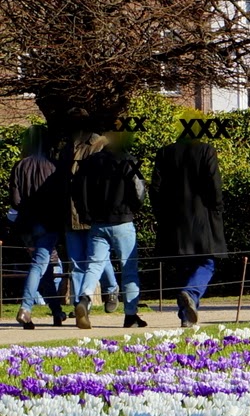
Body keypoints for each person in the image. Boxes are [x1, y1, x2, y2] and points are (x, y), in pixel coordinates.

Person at [151, 126, 227, 327]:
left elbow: (156, 188)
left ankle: (186, 317)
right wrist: (216, 209)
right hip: (202, 216)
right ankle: (191, 294)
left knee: (183, 267)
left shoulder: (165, 152)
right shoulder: (205, 150)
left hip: (173, 220)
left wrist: (161, 215)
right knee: (206, 263)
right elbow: (214, 184)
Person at [71, 129, 146, 329]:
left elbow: (77, 190)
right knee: (128, 269)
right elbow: (139, 190)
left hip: (97, 223)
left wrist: (86, 214)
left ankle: (85, 299)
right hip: (122, 221)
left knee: (94, 265)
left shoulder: (89, 163)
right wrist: (134, 208)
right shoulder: (128, 160)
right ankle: (130, 315)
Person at [7, 126, 67, 329]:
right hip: (48, 223)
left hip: (26, 224)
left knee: (44, 267)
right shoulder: (54, 166)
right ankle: (26, 308)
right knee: (40, 265)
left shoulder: (20, 165)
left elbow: (15, 200)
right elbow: (61, 199)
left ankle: (57, 311)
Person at [51, 113, 106, 329]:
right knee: (96, 260)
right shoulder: (100, 145)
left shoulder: (66, 149)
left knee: (78, 265)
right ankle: (90, 300)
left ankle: (80, 303)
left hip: (71, 214)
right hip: (91, 214)